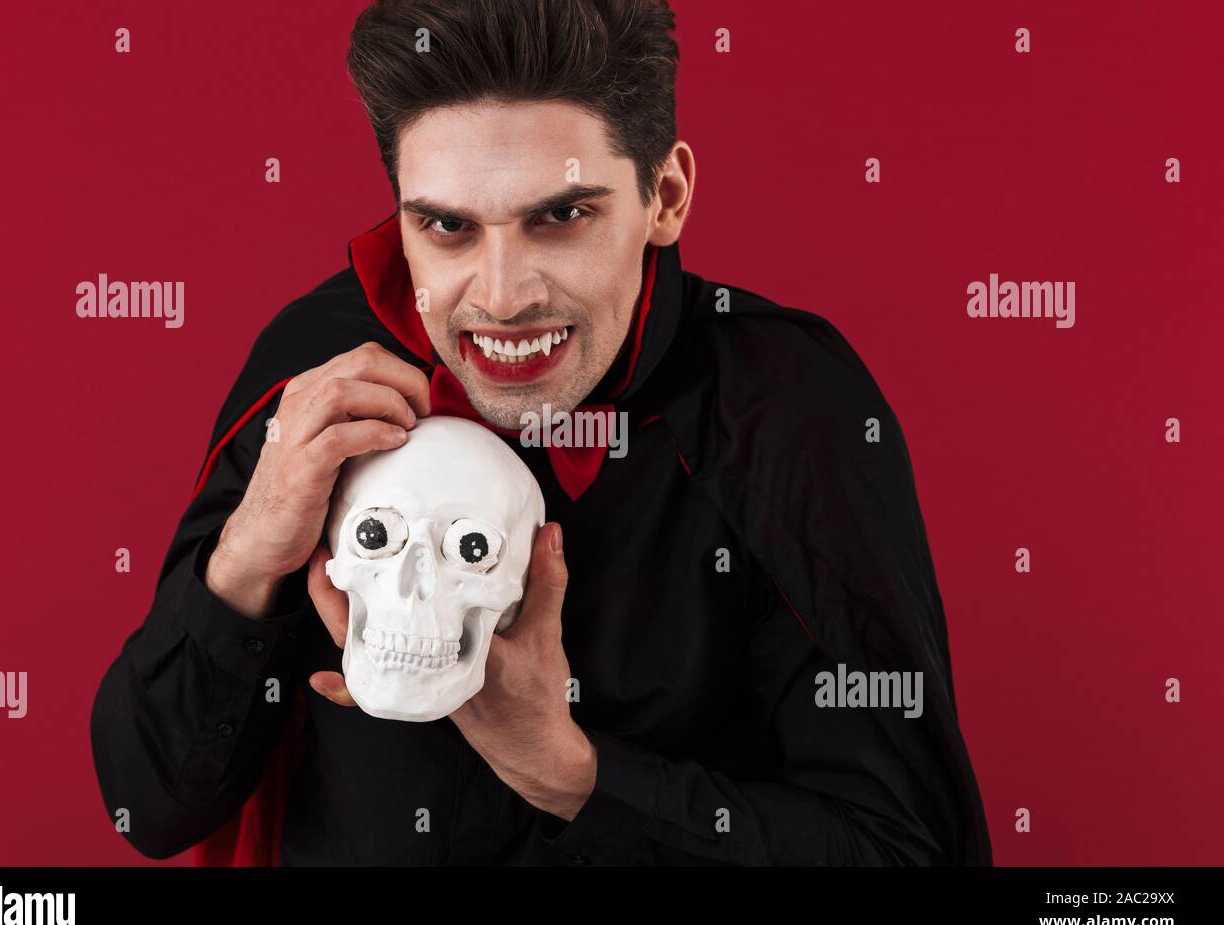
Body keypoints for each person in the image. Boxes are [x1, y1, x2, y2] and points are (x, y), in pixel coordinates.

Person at [90, 0, 992, 866]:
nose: (500, 296)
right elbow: (153, 807)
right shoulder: (314, 375)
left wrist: (573, 777)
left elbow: (907, 846)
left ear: (665, 196)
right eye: (445, 226)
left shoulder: (790, 409)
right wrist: (246, 559)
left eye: (560, 217)